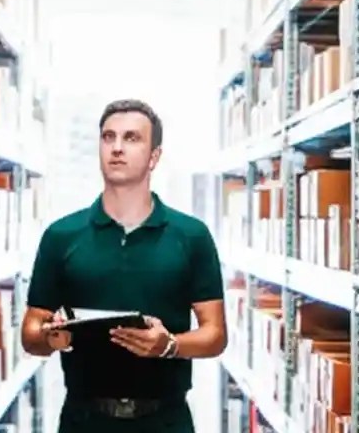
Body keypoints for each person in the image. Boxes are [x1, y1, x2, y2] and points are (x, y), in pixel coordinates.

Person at [20, 99, 227, 432]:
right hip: (83, 420)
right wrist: (54, 338)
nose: (117, 148)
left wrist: (170, 346)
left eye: (131, 138)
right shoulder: (61, 236)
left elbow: (215, 334)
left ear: (154, 156)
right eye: (108, 137)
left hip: (166, 421)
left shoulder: (191, 236)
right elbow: (30, 332)